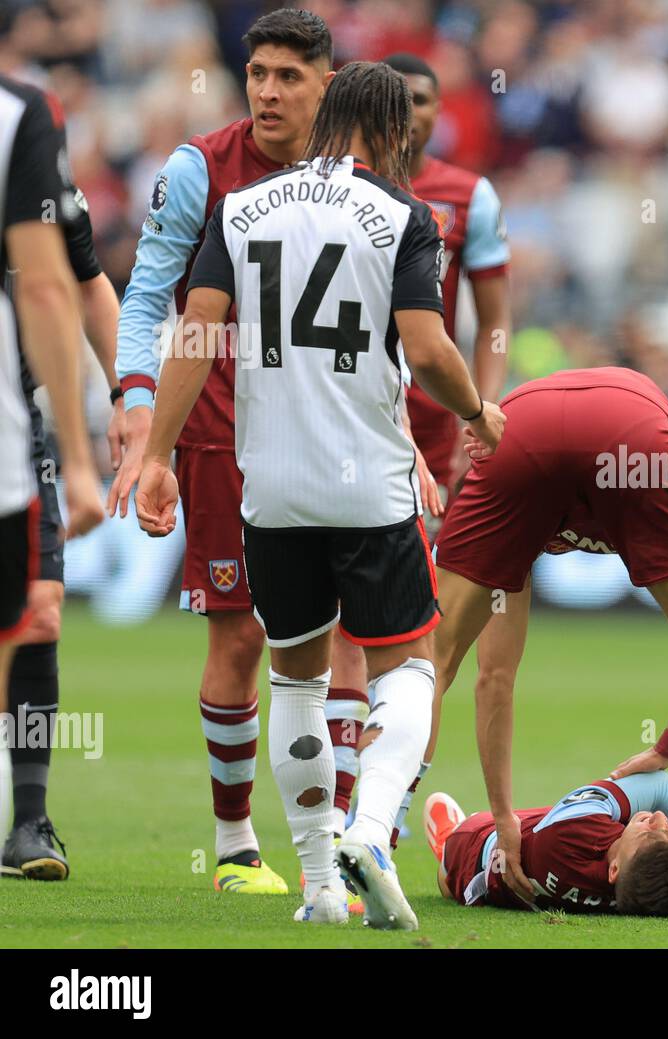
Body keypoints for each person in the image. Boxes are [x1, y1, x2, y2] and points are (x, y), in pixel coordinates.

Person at [133, 61, 504, 928]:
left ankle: (318, 887)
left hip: (272, 491)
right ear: (395, 132)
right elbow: (431, 346)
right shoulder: (404, 216)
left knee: (293, 681)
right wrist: (479, 412)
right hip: (368, 486)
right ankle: (371, 830)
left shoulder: (241, 209)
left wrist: (157, 452)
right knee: (407, 668)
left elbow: (196, 330)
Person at [431, 365, 668, 924]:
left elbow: (495, 677)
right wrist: (667, 749)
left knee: (431, 662)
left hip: (517, 426)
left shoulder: (521, 515)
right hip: (636, 424)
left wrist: (505, 816)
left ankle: (369, 844)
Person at [110, 8, 337, 897]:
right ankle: (237, 843)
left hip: (332, 433)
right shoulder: (199, 167)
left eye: (289, 76)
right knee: (241, 634)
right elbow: (148, 294)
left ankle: (347, 836)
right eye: (258, 74)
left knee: (354, 637)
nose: (269, 91)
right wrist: (138, 408)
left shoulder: (358, 170)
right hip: (221, 434)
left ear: (327, 80)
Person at [320, 51, 513, 863]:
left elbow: (493, 320)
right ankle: (363, 818)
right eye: (410, 103)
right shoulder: (384, 206)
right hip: (374, 428)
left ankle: (362, 815)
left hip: (440, 437)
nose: (422, 116)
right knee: (378, 636)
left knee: (425, 636)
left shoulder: (469, 196)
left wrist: (478, 419)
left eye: (431, 101)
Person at [3, 108, 124, 881]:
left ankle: (29, 822)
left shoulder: (26, 148)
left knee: (38, 608)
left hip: (14, 433)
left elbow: (82, 289)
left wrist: (127, 399)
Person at [426, 773, 668, 917]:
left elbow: (661, 785)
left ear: (614, 869)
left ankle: (446, 837)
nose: (659, 817)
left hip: (476, 846)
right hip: (503, 890)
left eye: (651, 832)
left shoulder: (570, 831)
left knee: (455, 863)